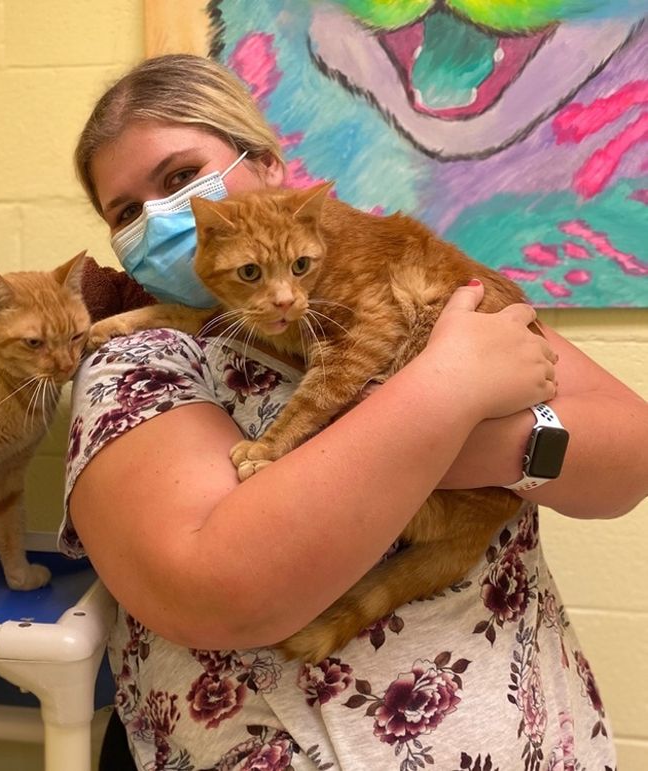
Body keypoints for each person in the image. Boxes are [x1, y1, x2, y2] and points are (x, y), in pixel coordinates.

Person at [63, 54, 648, 771]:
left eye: (182, 176)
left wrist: (517, 444)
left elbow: (631, 453)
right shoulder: (134, 358)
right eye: (125, 211)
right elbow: (218, 589)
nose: (164, 215)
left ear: (270, 164)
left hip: (531, 733)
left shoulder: (376, 257)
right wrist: (448, 396)